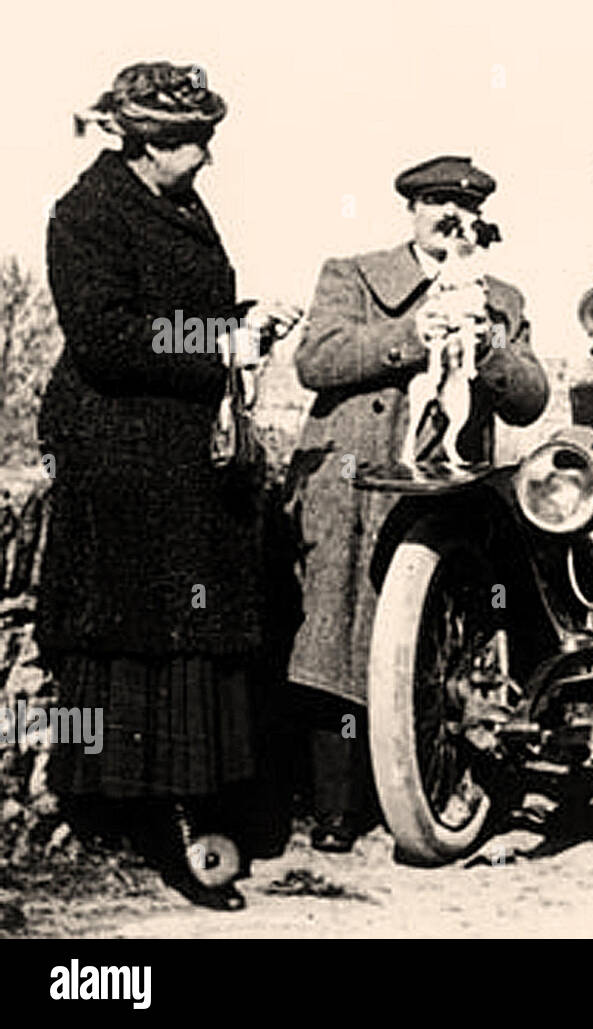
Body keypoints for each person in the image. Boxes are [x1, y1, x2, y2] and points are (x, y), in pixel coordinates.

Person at [39, 61, 301, 909]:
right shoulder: (86, 214)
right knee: (150, 648)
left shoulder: (173, 202)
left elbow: (173, 314)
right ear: (146, 140)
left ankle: (177, 815)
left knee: (184, 643)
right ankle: (176, 830)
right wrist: (219, 342)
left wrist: (246, 322)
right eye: (196, 140)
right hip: (125, 465)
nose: (208, 156)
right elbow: (107, 337)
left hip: (178, 460)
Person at [285, 155, 548, 852]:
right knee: (338, 634)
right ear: (411, 210)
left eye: (462, 210)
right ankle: (337, 807)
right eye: (435, 204)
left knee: (433, 641)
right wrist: (410, 337)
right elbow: (317, 360)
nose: (449, 219)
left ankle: (429, 791)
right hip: (354, 482)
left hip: (446, 492)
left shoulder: (503, 300)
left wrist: (488, 345)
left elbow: (531, 398)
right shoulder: (353, 273)